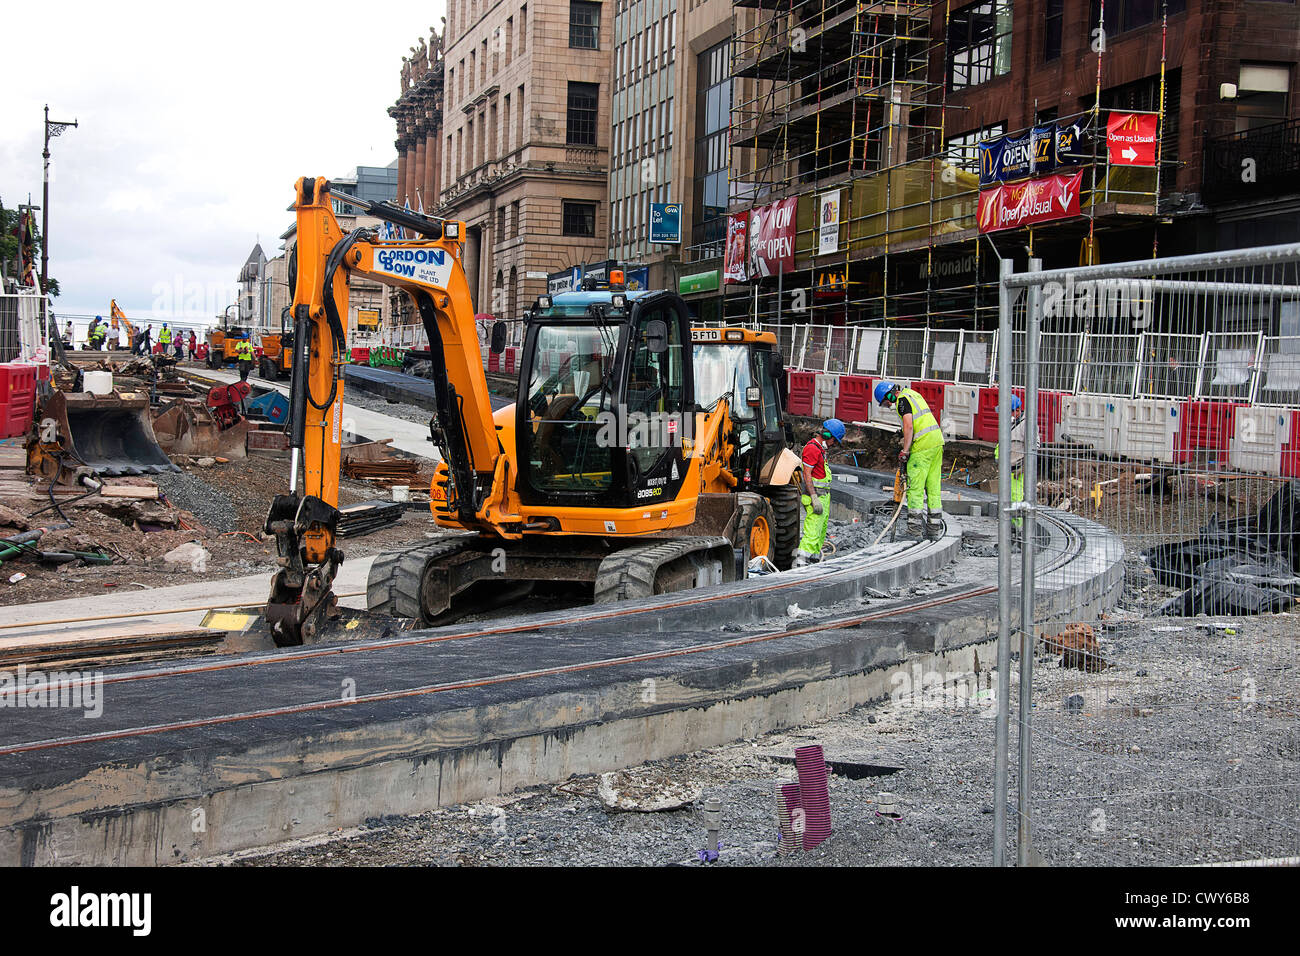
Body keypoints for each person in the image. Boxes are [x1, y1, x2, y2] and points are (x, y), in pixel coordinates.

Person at [876, 381, 945, 537]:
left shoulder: (902, 401)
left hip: (922, 446)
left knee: (915, 489)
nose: (888, 406)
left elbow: (908, 426)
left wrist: (905, 451)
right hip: (937, 443)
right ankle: (934, 529)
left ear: (889, 396)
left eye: (886, 404)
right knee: (933, 488)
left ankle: (914, 530)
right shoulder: (914, 394)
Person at [792, 418, 845, 567]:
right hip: (815, 496)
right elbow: (807, 474)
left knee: (820, 533)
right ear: (828, 436)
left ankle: (814, 562)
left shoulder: (820, 449)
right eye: (834, 440)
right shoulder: (812, 449)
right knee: (812, 533)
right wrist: (814, 496)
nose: (834, 444)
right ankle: (800, 566)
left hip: (823, 496)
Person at [995, 395, 1026, 530]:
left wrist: (1024, 466)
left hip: (1017, 470)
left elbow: (1034, 447)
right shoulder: (1011, 424)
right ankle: (1009, 531)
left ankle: (1017, 532)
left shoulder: (1026, 425)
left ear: (1017, 410)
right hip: (1007, 469)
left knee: (1016, 499)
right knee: (1007, 499)